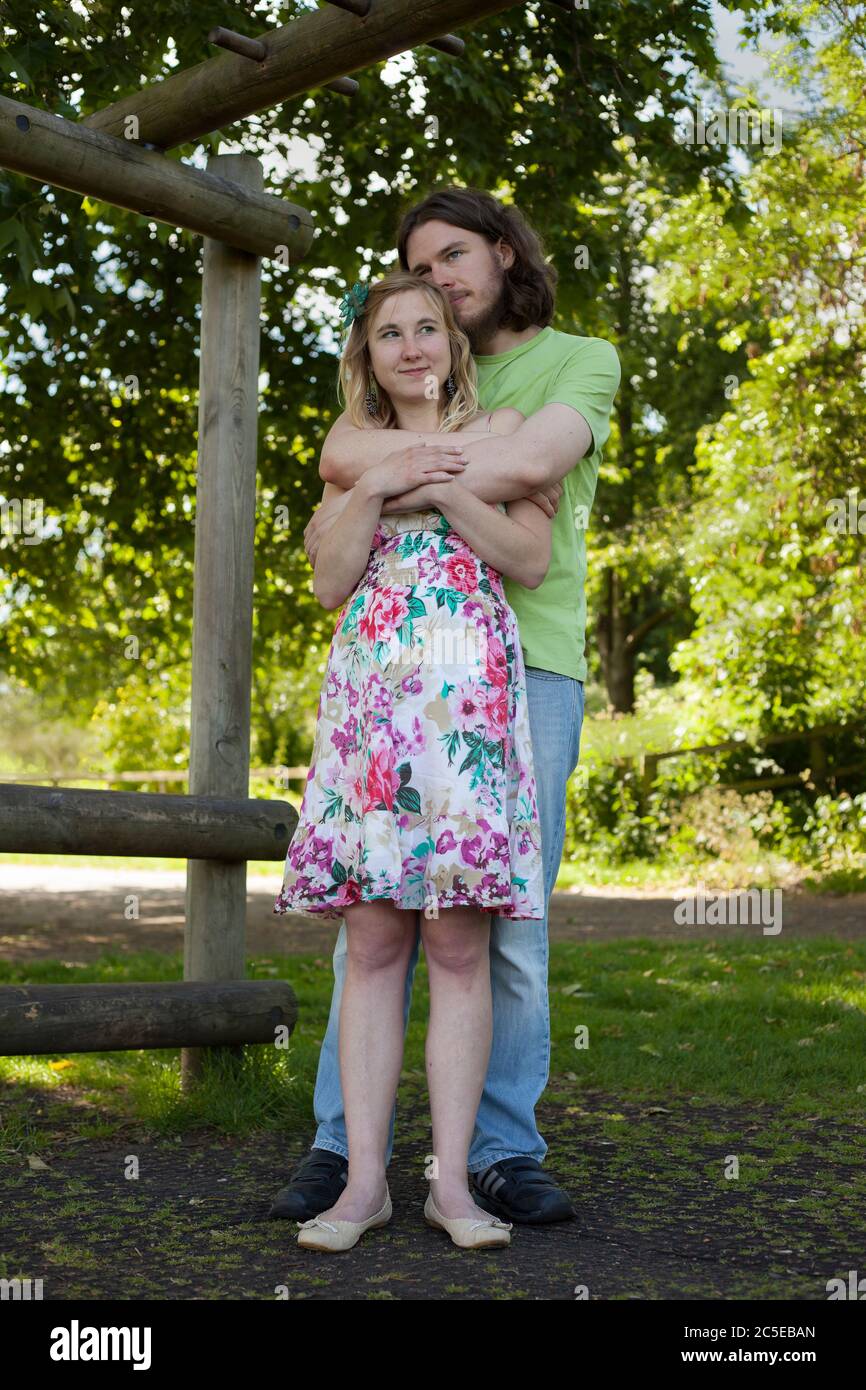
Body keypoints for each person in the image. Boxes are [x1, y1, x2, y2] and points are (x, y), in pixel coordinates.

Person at [271, 186, 621, 1230]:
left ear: (504, 251)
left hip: (510, 680)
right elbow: (334, 513)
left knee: (496, 934)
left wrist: (403, 478)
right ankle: (350, 1157)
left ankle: (489, 1160)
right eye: (408, 295)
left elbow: (527, 475)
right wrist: (385, 476)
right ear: (369, 350)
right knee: (371, 934)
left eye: (451, 263)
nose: (433, 296)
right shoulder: (361, 425)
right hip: (380, 703)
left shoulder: (570, 366)